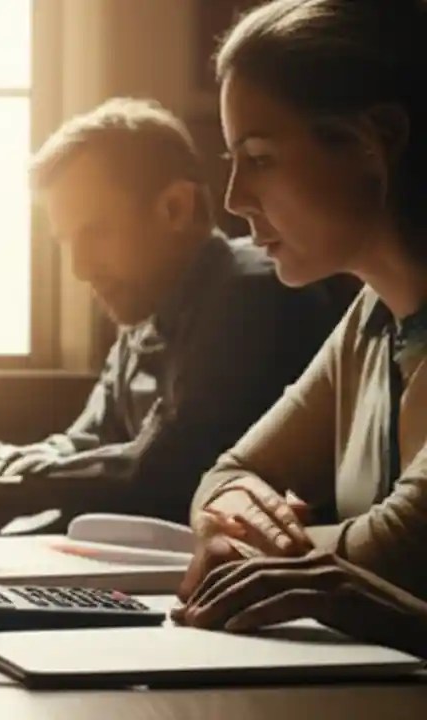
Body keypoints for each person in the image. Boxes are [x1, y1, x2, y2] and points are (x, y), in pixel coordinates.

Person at [0, 98, 351, 523]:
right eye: (67, 241)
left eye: (96, 233)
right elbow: (87, 444)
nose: (79, 269)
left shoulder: (252, 292)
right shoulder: (145, 312)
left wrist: (4, 481)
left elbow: (167, 471)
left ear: (175, 208)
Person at [171, 0, 427, 645]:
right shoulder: (372, 319)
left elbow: (401, 549)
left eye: (259, 157)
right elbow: (229, 474)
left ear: (374, 140)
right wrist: (234, 519)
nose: (234, 199)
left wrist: (246, 543)